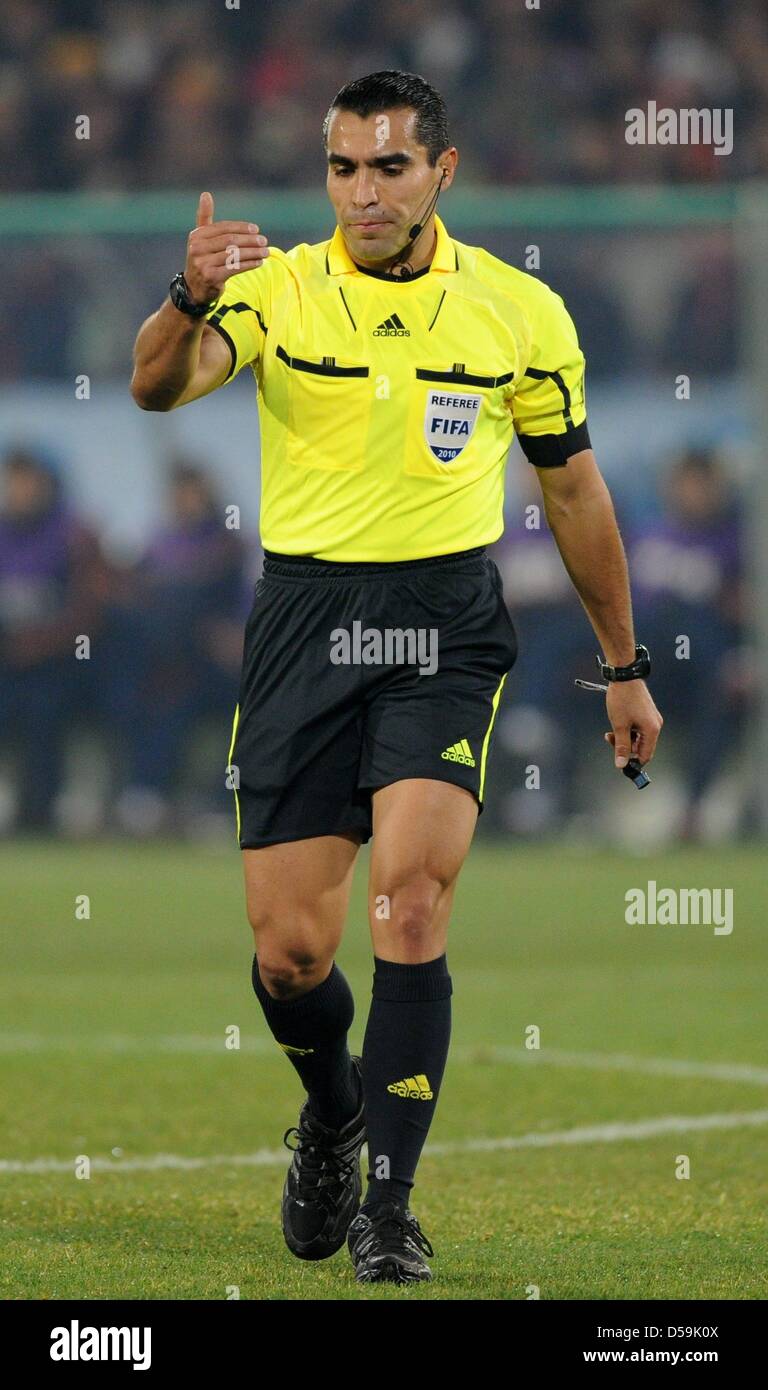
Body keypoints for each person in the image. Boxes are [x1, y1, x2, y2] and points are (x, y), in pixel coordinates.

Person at [130, 70, 662, 1285]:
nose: (364, 193)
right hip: (305, 621)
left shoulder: (520, 313)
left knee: (410, 903)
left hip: (443, 625)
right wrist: (184, 295)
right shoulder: (274, 290)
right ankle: (332, 1111)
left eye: (389, 168)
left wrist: (624, 665)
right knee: (292, 955)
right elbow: (158, 384)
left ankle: (391, 1206)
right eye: (343, 169)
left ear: (443, 172)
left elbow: (572, 489)